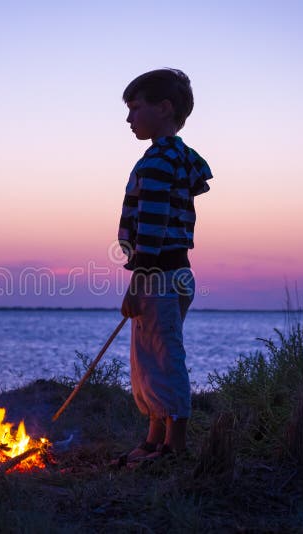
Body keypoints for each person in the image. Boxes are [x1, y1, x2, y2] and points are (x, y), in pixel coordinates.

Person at [117, 68, 212, 463]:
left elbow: (153, 224)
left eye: (135, 109)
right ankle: (156, 436)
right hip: (177, 272)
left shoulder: (158, 160)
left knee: (163, 358)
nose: (128, 119)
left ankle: (173, 446)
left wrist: (139, 279)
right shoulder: (182, 157)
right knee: (152, 357)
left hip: (158, 275)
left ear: (164, 108)